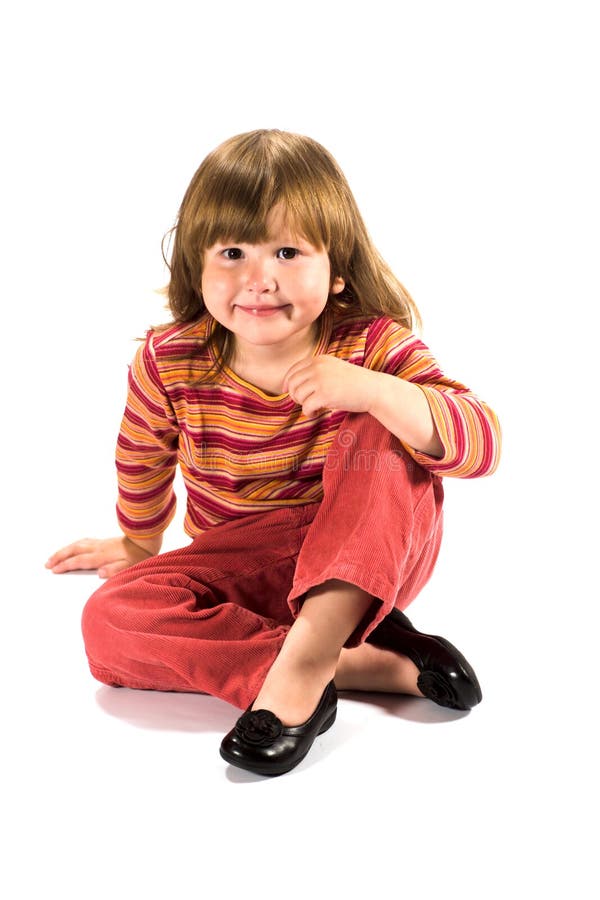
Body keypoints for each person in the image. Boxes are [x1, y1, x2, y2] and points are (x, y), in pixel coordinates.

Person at [46, 129, 501, 777]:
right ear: (196, 268)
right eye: (233, 251)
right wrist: (139, 543)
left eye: (288, 251)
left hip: (358, 552)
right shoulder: (171, 358)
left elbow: (483, 440)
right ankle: (355, 661)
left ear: (337, 269)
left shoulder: (369, 347)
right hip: (243, 561)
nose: (259, 279)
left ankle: (303, 672)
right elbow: (142, 453)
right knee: (109, 620)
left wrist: (378, 393)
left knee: (383, 430)